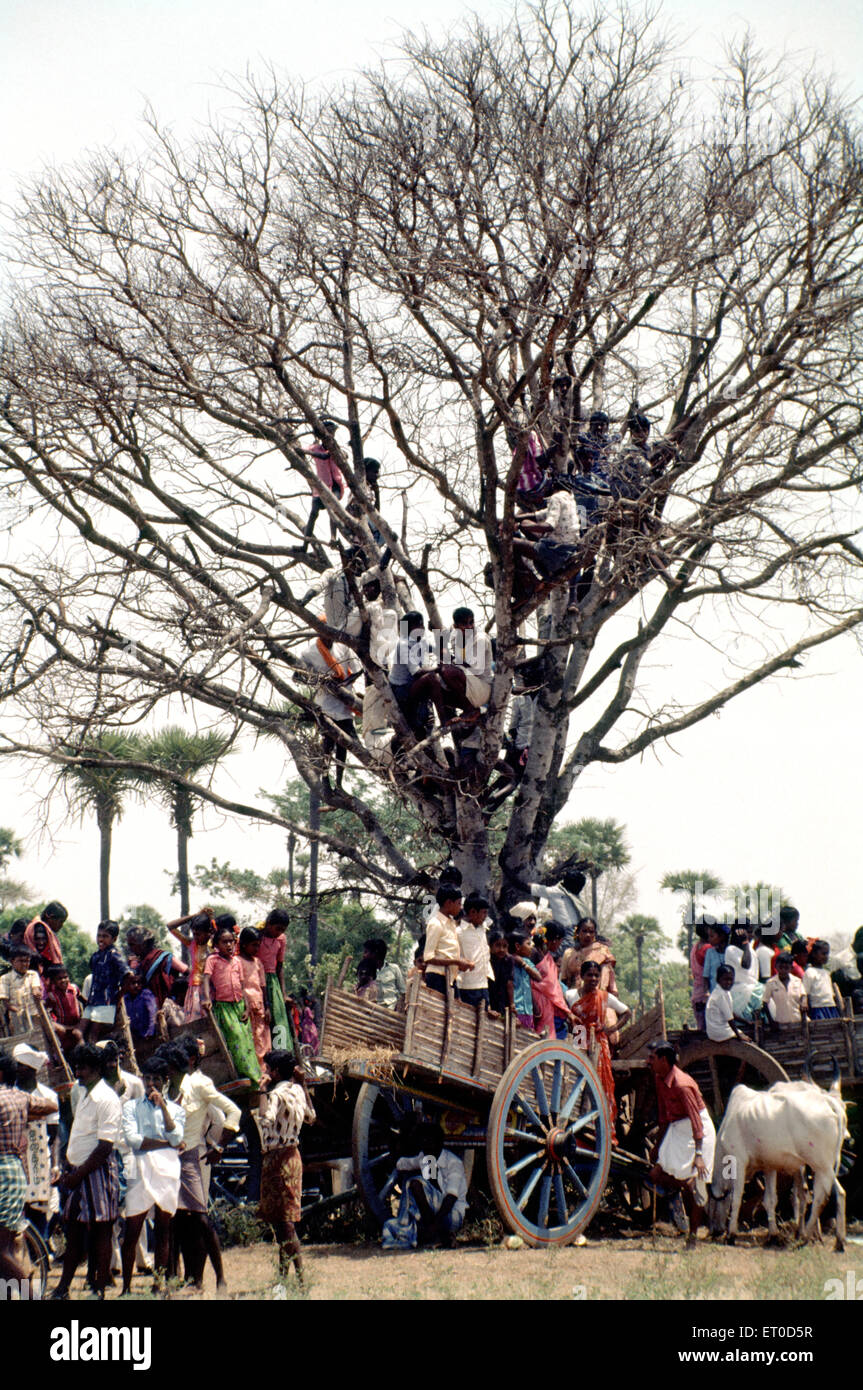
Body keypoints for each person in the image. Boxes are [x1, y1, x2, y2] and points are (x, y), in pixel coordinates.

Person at [51, 1042, 123, 1300]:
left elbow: (105, 1147)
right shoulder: (82, 1094)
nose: (77, 1073)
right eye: (77, 1068)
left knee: (102, 1231)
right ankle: (63, 1289)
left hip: (96, 1173)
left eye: (81, 1068)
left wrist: (78, 1175)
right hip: (77, 1173)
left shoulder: (107, 1099)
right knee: (75, 1232)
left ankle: (99, 1290)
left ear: (95, 1068)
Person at [172, 1035, 240, 1290]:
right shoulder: (179, 1082)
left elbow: (222, 1117)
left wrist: (214, 1144)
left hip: (197, 1156)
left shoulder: (201, 1083)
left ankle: (212, 1278)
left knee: (199, 1219)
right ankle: (191, 1278)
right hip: (182, 1156)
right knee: (184, 1221)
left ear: (190, 1059)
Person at [120, 1056, 185, 1295]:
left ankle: (159, 1285)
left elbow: (177, 1138)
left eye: (155, 1079)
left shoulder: (176, 1110)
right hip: (139, 1169)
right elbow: (133, 1140)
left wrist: (164, 1107)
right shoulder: (131, 1107)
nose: (150, 1084)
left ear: (164, 1081)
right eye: (147, 1079)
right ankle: (126, 1288)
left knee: (163, 1231)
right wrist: (164, 1143)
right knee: (132, 1230)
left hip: (167, 1170)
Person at [647, 1039, 715, 1247]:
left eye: (652, 1058)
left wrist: (700, 1156)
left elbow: (697, 1122)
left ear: (664, 1060)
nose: (648, 1061)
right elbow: (663, 1117)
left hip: (698, 1133)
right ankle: (685, 1185)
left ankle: (692, 1236)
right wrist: (658, 1146)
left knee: (696, 1186)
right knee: (655, 1175)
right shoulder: (660, 1078)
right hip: (677, 1129)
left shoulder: (682, 1084)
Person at [256, 1049, 316, 1282]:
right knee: (284, 1221)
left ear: (275, 1072)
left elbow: (265, 1119)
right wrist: (303, 1084)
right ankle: (283, 1276)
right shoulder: (298, 1091)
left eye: (268, 1069)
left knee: (284, 1224)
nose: (266, 1072)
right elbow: (311, 1117)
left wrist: (262, 1090)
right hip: (293, 1155)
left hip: (277, 1158)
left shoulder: (275, 1096)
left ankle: (301, 1278)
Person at [0, 1050, 56, 1296]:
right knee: (7, 1247)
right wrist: (24, 1116)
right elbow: (52, 1105)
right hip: (14, 1171)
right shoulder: (20, 1097)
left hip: (2, 1173)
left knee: (1, 1252)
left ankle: (30, 1296)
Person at [383, 1120, 468, 1249]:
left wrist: (434, 1224)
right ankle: (428, 1234)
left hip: (452, 1214)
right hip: (432, 1214)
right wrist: (394, 1143)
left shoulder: (453, 1163)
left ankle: (427, 1232)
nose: (426, 1147)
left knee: (415, 1183)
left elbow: (451, 1197)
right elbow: (402, 1164)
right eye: (423, 1143)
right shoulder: (426, 1158)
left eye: (429, 1143)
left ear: (439, 1143)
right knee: (389, 1225)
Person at [568, 960, 630, 1128]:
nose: (594, 979)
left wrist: (610, 1029)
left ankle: (594, 1121)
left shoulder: (604, 996)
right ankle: (576, 1112)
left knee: (597, 1079)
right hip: (579, 1034)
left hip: (597, 1038)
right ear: (582, 976)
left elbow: (626, 1012)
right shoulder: (571, 995)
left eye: (597, 975)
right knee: (578, 1073)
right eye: (590, 975)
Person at [299, 630, 361, 791]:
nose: (329, 636)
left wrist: (343, 683)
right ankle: (325, 781)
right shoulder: (309, 652)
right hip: (325, 706)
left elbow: (358, 670)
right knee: (327, 746)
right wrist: (320, 680)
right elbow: (298, 677)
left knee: (345, 745)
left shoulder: (343, 647)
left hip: (344, 704)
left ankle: (339, 784)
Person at [12, 1044, 60, 1243]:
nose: (16, 1068)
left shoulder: (48, 1095)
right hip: (15, 1158)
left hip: (39, 1159)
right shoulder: (9, 1093)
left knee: (39, 1210)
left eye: (20, 1065)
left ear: (31, 1068)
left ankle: (40, 1253)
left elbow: (55, 1134)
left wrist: (56, 1164)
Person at [202, 926, 261, 1084]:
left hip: (239, 1005)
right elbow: (206, 979)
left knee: (247, 1040)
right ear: (216, 944)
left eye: (231, 942)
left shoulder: (237, 961)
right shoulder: (212, 960)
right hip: (224, 1006)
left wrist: (247, 1007)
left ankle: (256, 1076)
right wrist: (206, 998)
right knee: (236, 1038)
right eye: (224, 942)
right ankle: (246, 1076)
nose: (229, 945)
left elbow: (241, 986)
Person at [388, 610, 437, 738]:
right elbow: (415, 672)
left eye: (423, 625)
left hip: (412, 684)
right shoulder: (403, 644)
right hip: (401, 688)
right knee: (415, 727)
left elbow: (437, 650)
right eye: (419, 625)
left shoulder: (421, 640)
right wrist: (438, 668)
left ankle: (426, 717)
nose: (423, 628)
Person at [83, 919, 132, 1041]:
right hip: (93, 1002)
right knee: (79, 1032)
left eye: (105, 936)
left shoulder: (114, 955)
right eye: (99, 935)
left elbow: (129, 976)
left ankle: (93, 1058)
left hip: (107, 1003)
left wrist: (119, 996)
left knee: (94, 1035)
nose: (101, 939)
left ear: (114, 939)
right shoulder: (96, 956)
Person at [422, 885, 473, 996]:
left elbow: (447, 953)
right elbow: (428, 957)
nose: (461, 907)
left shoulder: (451, 923)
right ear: (449, 903)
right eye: (459, 903)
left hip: (449, 978)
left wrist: (461, 963)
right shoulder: (435, 923)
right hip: (437, 977)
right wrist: (456, 962)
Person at [166, 911, 213, 1022]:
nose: (195, 937)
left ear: (209, 932)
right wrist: (194, 915)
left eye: (198, 934)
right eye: (194, 934)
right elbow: (170, 926)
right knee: (195, 1021)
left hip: (212, 988)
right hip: (195, 988)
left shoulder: (214, 945)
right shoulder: (191, 943)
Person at [302, 420, 346, 540]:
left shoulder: (336, 449)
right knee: (313, 513)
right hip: (320, 488)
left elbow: (341, 455)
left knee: (333, 509)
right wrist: (305, 451)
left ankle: (333, 537)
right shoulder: (316, 448)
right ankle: (305, 542)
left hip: (335, 486)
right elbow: (302, 449)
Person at [259, 909, 295, 1051]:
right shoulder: (257, 936)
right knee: (262, 1020)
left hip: (273, 982)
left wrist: (283, 993)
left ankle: (282, 1053)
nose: (279, 932)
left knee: (278, 1019)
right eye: (277, 928)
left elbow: (280, 966)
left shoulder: (281, 939)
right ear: (268, 924)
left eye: (283, 930)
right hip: (256, 980)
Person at [531, 922, 574, 1040]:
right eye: (560, 941)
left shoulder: (547, 956)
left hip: (551, 1006)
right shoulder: (535, 953)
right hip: (539, 1005)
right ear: (555, 940)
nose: (560, 945)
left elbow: (553, 986)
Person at [238, 927, 272, 1070]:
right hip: (246, 1007)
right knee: (250, 1040)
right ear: (244, 944)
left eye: (258, 945)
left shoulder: (258, 963)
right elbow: (238, 984)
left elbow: (263, 986)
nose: (256, 948)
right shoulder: (237, 961)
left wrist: (268, 1006)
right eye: (254, 945)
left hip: (260, 1007)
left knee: (263, 1040)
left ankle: (265, 1070)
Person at [456, 893, 494, 1007]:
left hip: (483, 985)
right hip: (467, 986)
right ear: (472, 912)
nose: (485, 916)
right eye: (484, 913)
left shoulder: (482, 929)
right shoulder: (459, 932)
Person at [725, 924, 764, 1020]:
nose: (751, 936)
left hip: (753, 990)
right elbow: (746, 964)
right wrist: (745, 942)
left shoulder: (751, 950)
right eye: (749, 932)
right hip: (739, 992)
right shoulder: (731, 950)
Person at [0, 945, 42, 1035]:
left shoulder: (33, 975)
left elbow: (36, 988)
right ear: (12, 961)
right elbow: (5, 1002)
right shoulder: (5, 979)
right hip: (17, 1020)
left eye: (27, 961)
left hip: (35, 1016)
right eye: (21, 961)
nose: (25, 964)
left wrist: (37, 992)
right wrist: (19, 1011)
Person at [44, 963, 84, 1054]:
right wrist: (56, 1025)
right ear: (53, 981)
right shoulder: (52, 995)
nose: (63, 980)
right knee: (66, 1047)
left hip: (77, 1025)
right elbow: (47, 1011)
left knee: (79, 1036)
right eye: (59, 978)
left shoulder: (74, 988)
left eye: (65, 977)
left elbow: (83, 999)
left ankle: (84, 1055)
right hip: (64, 1028)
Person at [508, 929, 541, 1030]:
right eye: (528, 944)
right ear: (518, 946)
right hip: (516, 1009)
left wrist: (524, 964)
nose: (531, 947)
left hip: (528, 1010)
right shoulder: (508, 961)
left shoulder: (527, 962)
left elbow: (538, 977)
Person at [762, 952, 807, 1025]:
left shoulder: (797, 981)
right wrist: (771, 1021)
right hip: (781, 1022)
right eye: (781, 967)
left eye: (786, 968)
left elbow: (803, 995)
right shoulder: (770, 983)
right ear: (776, 966)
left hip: (798, 1021)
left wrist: (804, 1003)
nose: (783, 970)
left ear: (791, 968)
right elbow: (765, 1003)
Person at [363, 939, 406, 1010]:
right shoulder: (365, 972)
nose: (364, 955)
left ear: (375, 953)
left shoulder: (394, 968)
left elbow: (403, 992)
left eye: (366, 952)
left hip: (392, 1011)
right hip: (373, 1010)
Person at [803, 940, 841, 1019]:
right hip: (818, 1008)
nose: (826, 956)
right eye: (823, 954)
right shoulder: (810, 972)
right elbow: (806, 993)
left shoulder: (826, 973)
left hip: (831, 1007)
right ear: (814, 954)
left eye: (827, 954)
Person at [705, 964, 741, 1042]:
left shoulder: (725, 992)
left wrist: (747, 1022)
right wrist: (739, 1036)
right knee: (744, 1036)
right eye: (725, 979)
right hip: (719, 1032)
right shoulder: (720, 995)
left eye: (731, 979)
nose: (728, 982)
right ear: (718, 980)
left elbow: (731, 1014)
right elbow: (730, 1018)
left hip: (720, 1029)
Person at [25, 902, 68, 966]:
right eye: (60, 921)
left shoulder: (46, 930)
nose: (61, 925)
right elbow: (39, 956)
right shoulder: (40, 928)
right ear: (49, 917)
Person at [488, 929, 514, 1016]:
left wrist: (512, 1004)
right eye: (498, 945)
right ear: (490, 946)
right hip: (488, 995)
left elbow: (509, 983)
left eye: (505, 946)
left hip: (502, 998)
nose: (501, 949)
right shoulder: (487, 959)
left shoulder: (508, 960)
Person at [124, 974, 158, 1040]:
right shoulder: (125, 998)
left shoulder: (146, 995)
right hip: (134, 1036)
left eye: (138, 983)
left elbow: (152, 1014)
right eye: (133, 983)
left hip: (147, 1034)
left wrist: (150, 1032)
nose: (136, 985)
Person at [689, 924, 710, 1030]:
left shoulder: (695, 947)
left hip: (697, 994)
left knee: (701, 1029)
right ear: (707, 929)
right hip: (705, 995)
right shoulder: (708, 949)